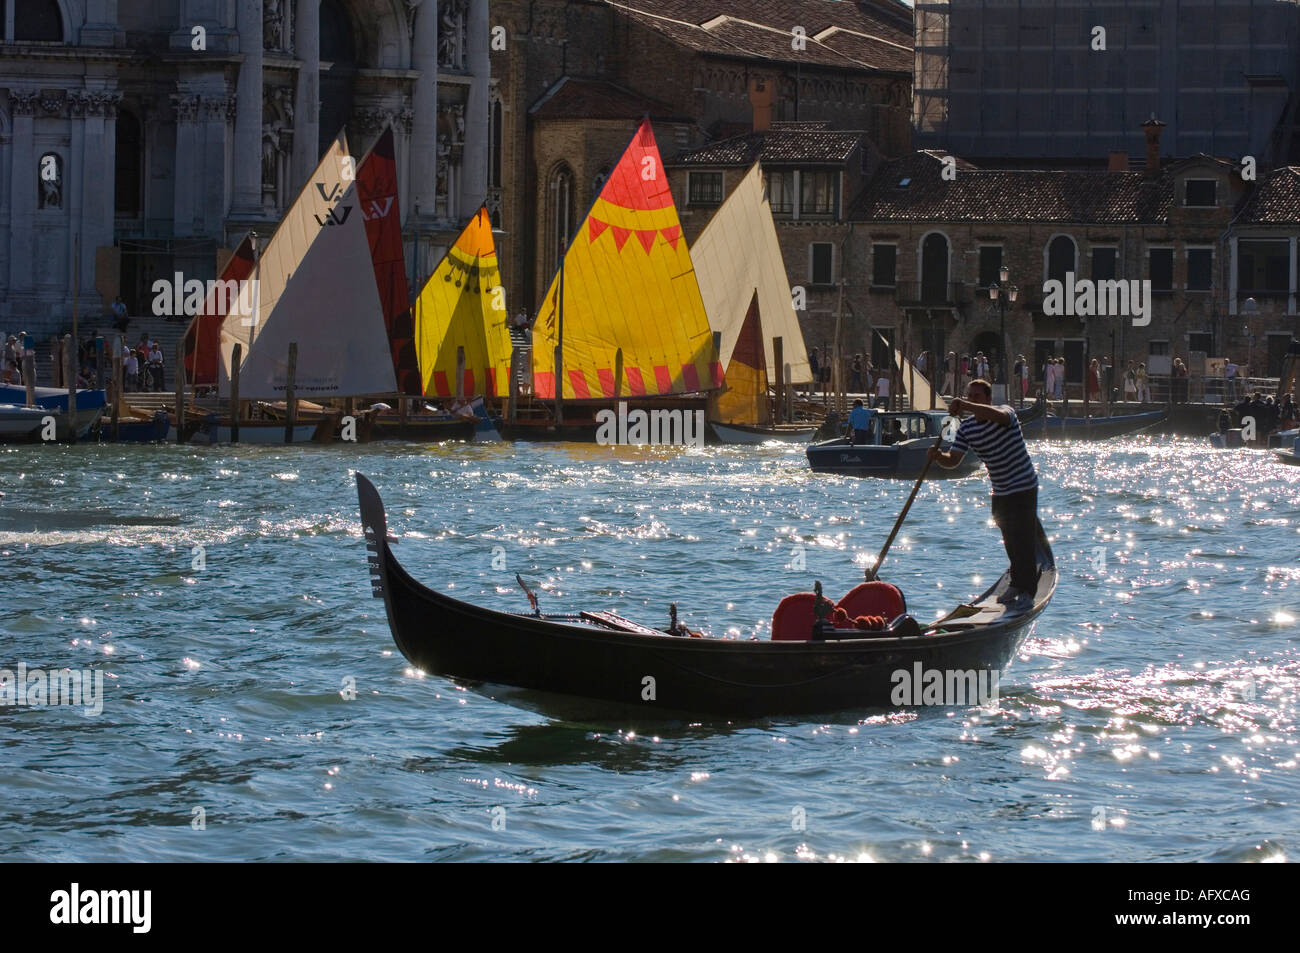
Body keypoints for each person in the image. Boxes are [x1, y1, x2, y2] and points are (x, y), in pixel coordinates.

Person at [929, 379, 1040, 608]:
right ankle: (1017, 582)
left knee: (1023, 536)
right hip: (1000, 490)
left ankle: (1028, 588)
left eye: (976, 397)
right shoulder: (967, 428)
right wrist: (938, 456)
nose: (971, 401)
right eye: (969, 397)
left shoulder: (1005, 413)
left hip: (1023, 485)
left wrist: (965, 405)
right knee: (1009, 538)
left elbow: (1000, 417)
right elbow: (954, 460)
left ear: (988, 400)